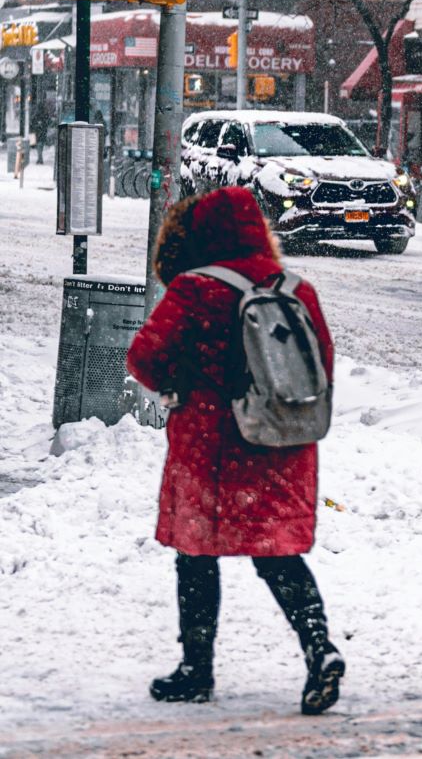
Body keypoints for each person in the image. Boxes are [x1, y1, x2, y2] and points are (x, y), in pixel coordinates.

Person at [126, 187, 345, 715]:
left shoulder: (195, 288)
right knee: (279, 557)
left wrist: (184, 382)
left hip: (211, 446)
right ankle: (320, 647)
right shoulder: (296, 288)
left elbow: (144, 357)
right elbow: (322, 367)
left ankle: (196, 670)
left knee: (196, 556)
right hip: (281, 443)